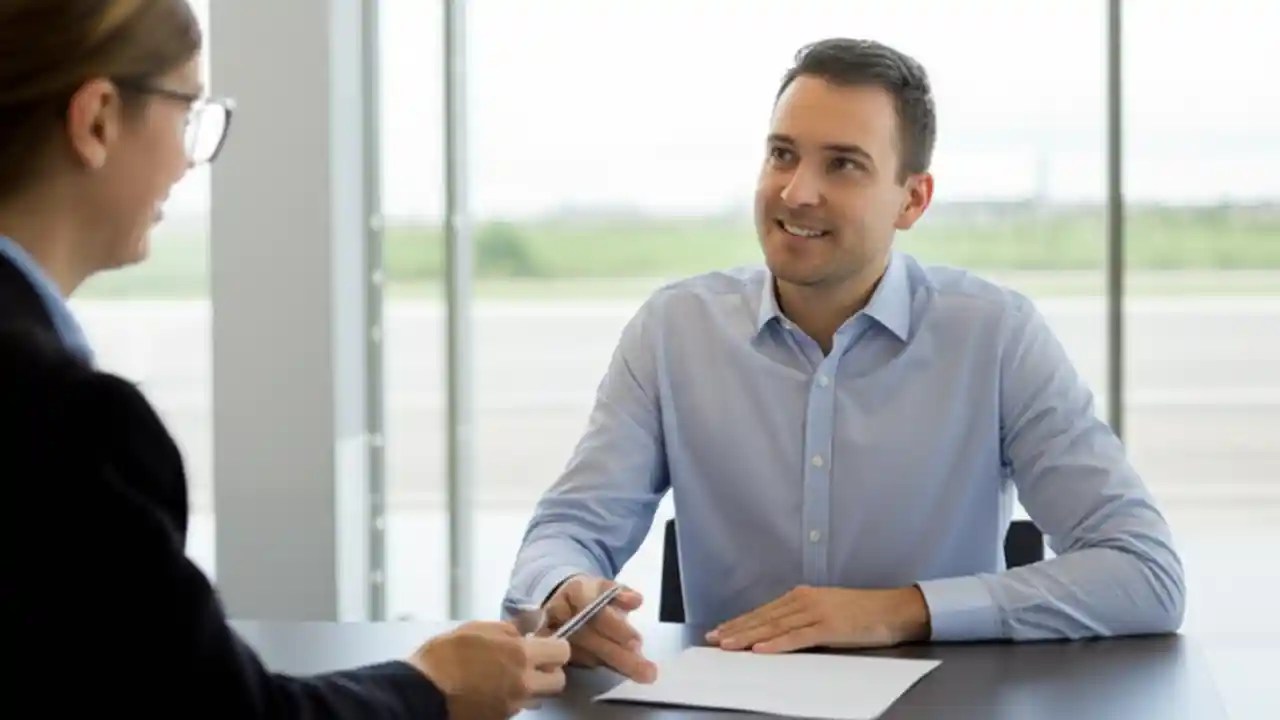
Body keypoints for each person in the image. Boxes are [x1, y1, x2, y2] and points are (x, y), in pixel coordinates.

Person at [505, 37, 1186, 683]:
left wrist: (899, 611)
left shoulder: (996, 336)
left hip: (944, 703)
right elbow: (565, 534)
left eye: (844, 164)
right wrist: (564, 590)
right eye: (782, 155)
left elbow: (1143, 572)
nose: (798, 191)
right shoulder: (672, 330)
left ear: (912, 200)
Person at [0, 1, 569, 717]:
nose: (187, 156)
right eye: (186, 112)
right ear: (98, 121)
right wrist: (432, 688)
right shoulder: (70, 424)